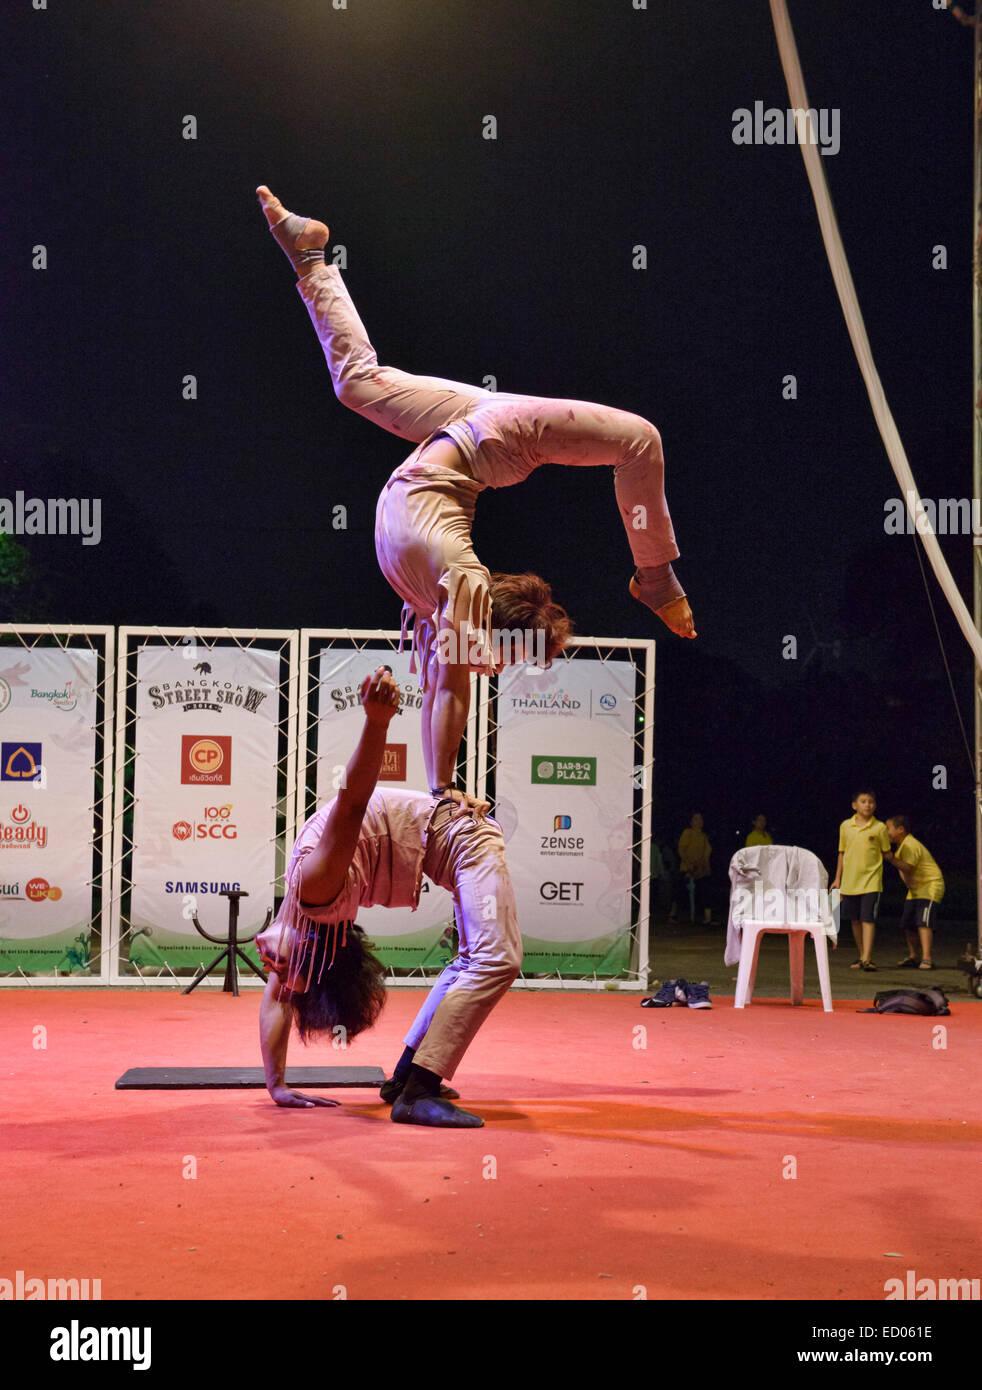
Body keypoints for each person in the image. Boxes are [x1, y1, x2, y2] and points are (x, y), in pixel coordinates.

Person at [256, 186, 696, 794]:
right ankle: (656, 579)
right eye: (511, 655)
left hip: (461, 441)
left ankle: (309, 258)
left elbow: (444, 683)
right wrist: (444, 794)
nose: (498, 666)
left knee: (358, 384)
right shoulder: (458, 585)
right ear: (498, 627)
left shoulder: (444, 601)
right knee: (639, 440)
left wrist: (442, 785)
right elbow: (453, 692)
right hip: (492, 436)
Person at [256, 666, 521, 1129]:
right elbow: (279, 999)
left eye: (281, 969)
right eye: (286, 971)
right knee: (485, 958)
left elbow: (353, 800)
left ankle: (411, 1084)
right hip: (451, 846)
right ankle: (413, 1088)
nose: (271, 968)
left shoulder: (316, 887)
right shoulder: (309, 928)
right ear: (323, 960)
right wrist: (276, 1085)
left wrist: (377, 721)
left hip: (465, 838)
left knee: (492, 957)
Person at [829, 788, 890, 971]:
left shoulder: (880, 828)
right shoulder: (846, 826)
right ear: (854, 805)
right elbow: (842, 853)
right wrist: (837, 878)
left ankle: (866, 957)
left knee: (867, 918)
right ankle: (862, 954)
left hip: (871, 881)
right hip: (849, 882)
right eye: (863, 801)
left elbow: (886, 853)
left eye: (870, 802)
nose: (867, 805)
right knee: (854, 919)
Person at [884, 815, 945, 970]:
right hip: (915, 888)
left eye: (888, 828)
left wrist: (890, 858)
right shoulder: (902, 845)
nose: (886, 832)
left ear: (900, 829)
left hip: (930, 885)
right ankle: (913, 956)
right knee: (907, 923)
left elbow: (908, 867)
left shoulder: (910, 844)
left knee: (923, 922)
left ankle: (926, 958)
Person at [670, 812, 713, 925]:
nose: (699, 821)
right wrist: (689, 864)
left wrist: (705, 868)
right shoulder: (687, 832)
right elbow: (681, 850)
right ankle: (672, 915)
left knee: (706, 889)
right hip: (687, 867)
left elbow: (706, 854)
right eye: (696, 819)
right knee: (679, 889)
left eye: (700, 819)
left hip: (700, 870)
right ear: (691, 822)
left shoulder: (704, 836)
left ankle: (708, 918)